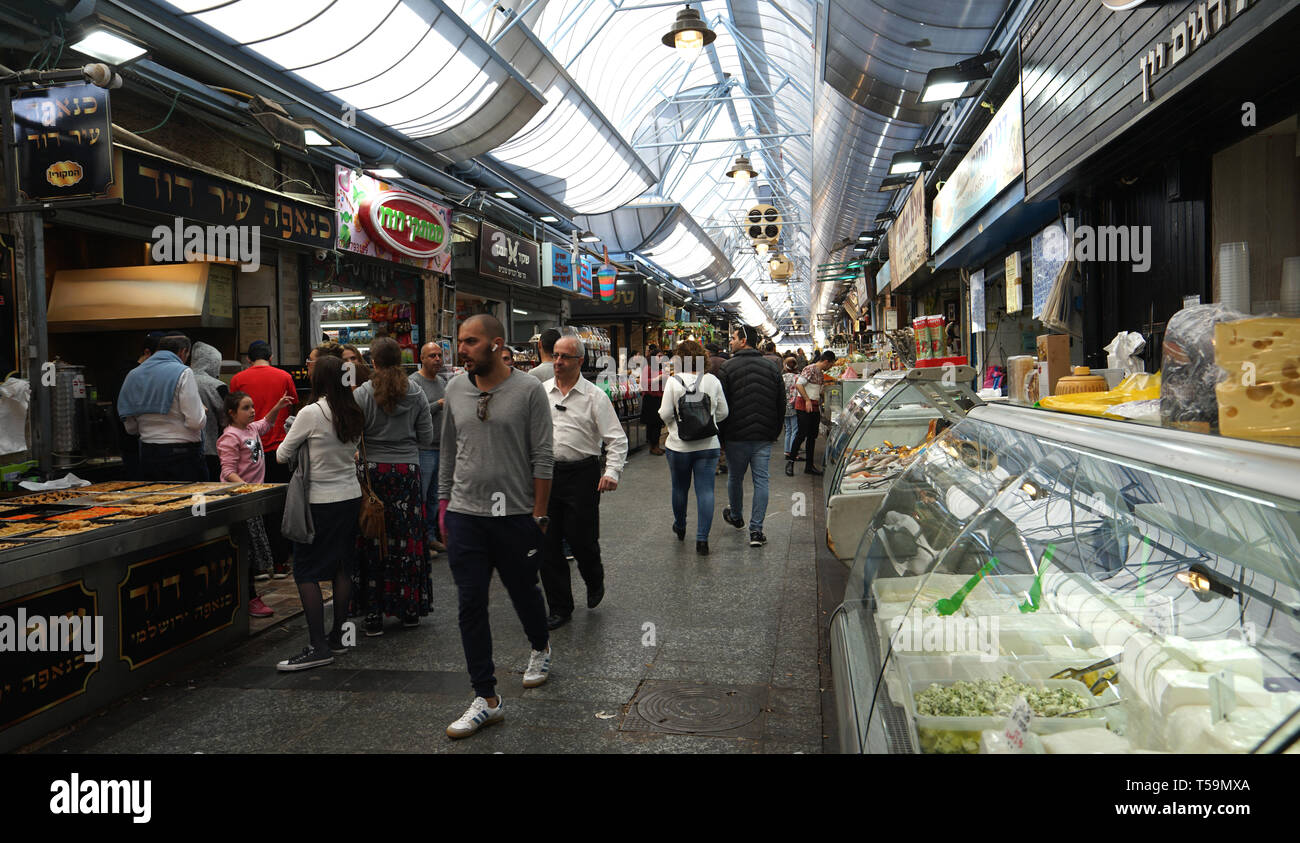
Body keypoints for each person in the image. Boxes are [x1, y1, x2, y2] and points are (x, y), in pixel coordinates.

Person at [438, 313, 554, 739]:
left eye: (470, 342)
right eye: (460, 342)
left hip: (516, 514)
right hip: (466, 514)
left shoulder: (527, 390)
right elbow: (448, 450)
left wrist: (539, 513)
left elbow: (543, 454)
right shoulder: (455, 387)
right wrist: (443, 504)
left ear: (496, 344)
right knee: (470, 603)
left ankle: (540, 647)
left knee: (523, 590)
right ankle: (485, 698)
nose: (461, 349)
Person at [274, 355, 364, 671]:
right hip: (351, 497)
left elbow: (282, 454)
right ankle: (339, 636)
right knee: (341, 566)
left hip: (320, 501)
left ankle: (317, 646)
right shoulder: (353, 410)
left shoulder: (312, 413)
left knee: (306, 571)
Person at [539, 335, 627, 629]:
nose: (559, 362)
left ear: (580, 361)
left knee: (582, 539)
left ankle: (594, 576)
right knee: (548, 544)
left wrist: (611, 472)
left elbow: (616, 439)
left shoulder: (594, 396)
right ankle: (560, 607)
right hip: (548, 474)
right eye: (555, 356)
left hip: (582, 474)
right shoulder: (541, 393)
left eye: (565, 357)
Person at [352, 336, 434, 635]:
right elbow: (426, 436)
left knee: (373, 537)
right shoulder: (416, 392)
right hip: (407, 472)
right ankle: (409, 609)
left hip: (373, 474)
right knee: (407, 539)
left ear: (372, 362)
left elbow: (352, 435)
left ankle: (373, 613)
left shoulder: (362, 393)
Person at [219, 390, 292, 618]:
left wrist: (278, 406)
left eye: (252, 407)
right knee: (247, 552)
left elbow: (266, 423)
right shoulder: (230, 437)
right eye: (245, 408)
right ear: (232, 413)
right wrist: (248, 490)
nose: (251, 411)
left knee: (253, 550)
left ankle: (249, 596)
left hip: (253, 499)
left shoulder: (250, 429)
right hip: (241, 501)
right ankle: (248, 597)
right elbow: (228, 471)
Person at [231, 340, 299, 573]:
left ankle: (257, 565)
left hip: (248, 451)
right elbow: (291, 409)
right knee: (279, 507)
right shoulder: (284, 377)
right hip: (279, 449)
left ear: (248, 359)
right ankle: (280, 561)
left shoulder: (238, 379)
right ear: (270, 357)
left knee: (254, 509)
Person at [717, 325, 785, 547]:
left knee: (735, 478)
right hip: (763, 435)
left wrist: (723, 435)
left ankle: (736, 517)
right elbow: (781, 402)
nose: (731, 341)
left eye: (734, 338)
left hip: (735, 435)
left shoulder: (727, 368)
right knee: (761, 480)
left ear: (744, 340)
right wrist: (774, 430)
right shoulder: (772, 367)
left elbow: (721, 405)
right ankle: (756, 531)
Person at [659, 340, 729, 555]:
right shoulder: (713, 381)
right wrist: (707, 422)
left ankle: (680, 526)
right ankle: (702, 540)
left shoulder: (673, 381)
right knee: (706, 490)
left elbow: (665, 413)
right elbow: (724, 412)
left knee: (679, 488)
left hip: (679, 446)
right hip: (709, 446)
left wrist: (676, 425)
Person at [118, 333, 208, 481]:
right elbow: (195, 421)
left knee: (157, 501)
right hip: (182, 452)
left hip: (148, 451)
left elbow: (131, 427)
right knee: (191, 501)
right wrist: (201, 410)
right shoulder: (183, 372)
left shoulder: (133, 374)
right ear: (183, 352)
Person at [410, 341, 448, 556]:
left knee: (435, 496)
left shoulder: (443, 381)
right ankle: (420, 539)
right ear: (422, 359)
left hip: (441, 447)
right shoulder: (414, 383)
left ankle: (431, 536)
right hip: (423, 448)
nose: (437, 359)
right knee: (421, 496)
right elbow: (413, 415)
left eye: (439, 355)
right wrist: (437, 405)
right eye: (432, 356)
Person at [789, 351, 836, 476]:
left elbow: (817, 390)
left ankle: (809, 466)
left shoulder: (820, 374)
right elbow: (799, 385)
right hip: (804, 405)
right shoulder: (810, 369)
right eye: (830, 365)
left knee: (812, 436)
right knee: (801, 434)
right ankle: (790, 463)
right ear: (826, 361)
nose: (830, 368)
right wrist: (807, 400)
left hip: (814, 406)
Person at [190, 342, 229, 483]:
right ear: (214, 363)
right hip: (212, 448)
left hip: (185, 447)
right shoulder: (217, 385)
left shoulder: (179, 379)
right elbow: (227, 419)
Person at [639, 346, 666, 456]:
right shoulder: (648, 368)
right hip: (651, 399)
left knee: (658, 424)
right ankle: (653, 447)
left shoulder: (661, 368)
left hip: (659, 398)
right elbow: (644, 382)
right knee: (653, 424)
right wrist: (658, 379)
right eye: (659, 356)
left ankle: (656, 446)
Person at [781, 357, 800, 463]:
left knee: (788, 429)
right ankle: (793, 452)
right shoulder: (797, 377)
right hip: (794, 405)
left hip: (784, 406)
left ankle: (787, 451)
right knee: (795, 430)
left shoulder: (782, 377)